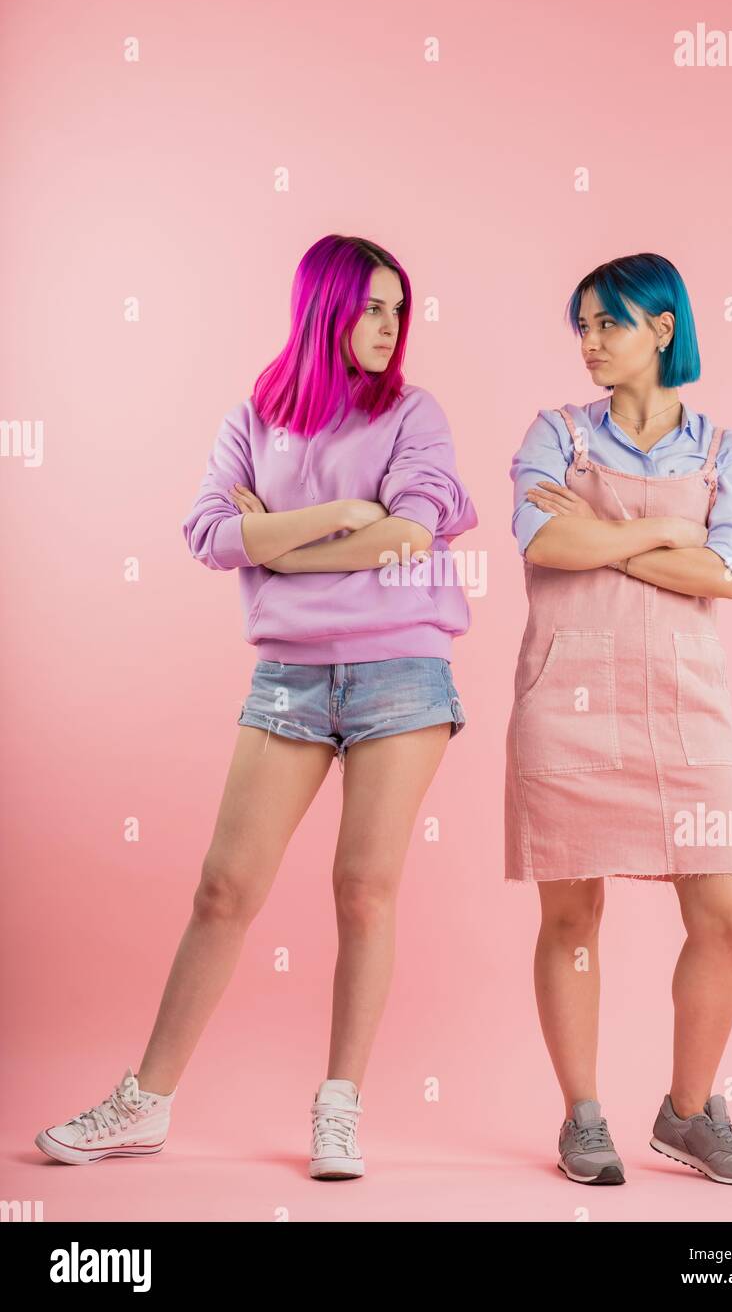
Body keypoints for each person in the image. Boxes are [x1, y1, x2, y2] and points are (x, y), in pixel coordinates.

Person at [35, 234, 478, 1179]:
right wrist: (333, 518)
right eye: (370, 306)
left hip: (401, 667)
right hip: (289, 677)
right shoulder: (259, 413)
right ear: (323, 307)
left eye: (400, 309)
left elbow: (409, 532)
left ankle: (339, 1108)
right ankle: (144, 1103)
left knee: (364, 890)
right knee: (224, 888)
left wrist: (272, 543)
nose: (390, 325)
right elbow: (206, 530)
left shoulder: (416, 414)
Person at [504, 252, 732, 1187]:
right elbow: (542, 537)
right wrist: (664, 533)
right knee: (573, 914)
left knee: (727, 914)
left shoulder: (724, 449)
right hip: (568, 701)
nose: (589, 342)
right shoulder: (555, 432)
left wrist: (601, 542)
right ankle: (584, 1116)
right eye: (580, 325)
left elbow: (728, 574)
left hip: (688, 706)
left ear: (662, 328)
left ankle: (687, 1115)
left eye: (607, 323)